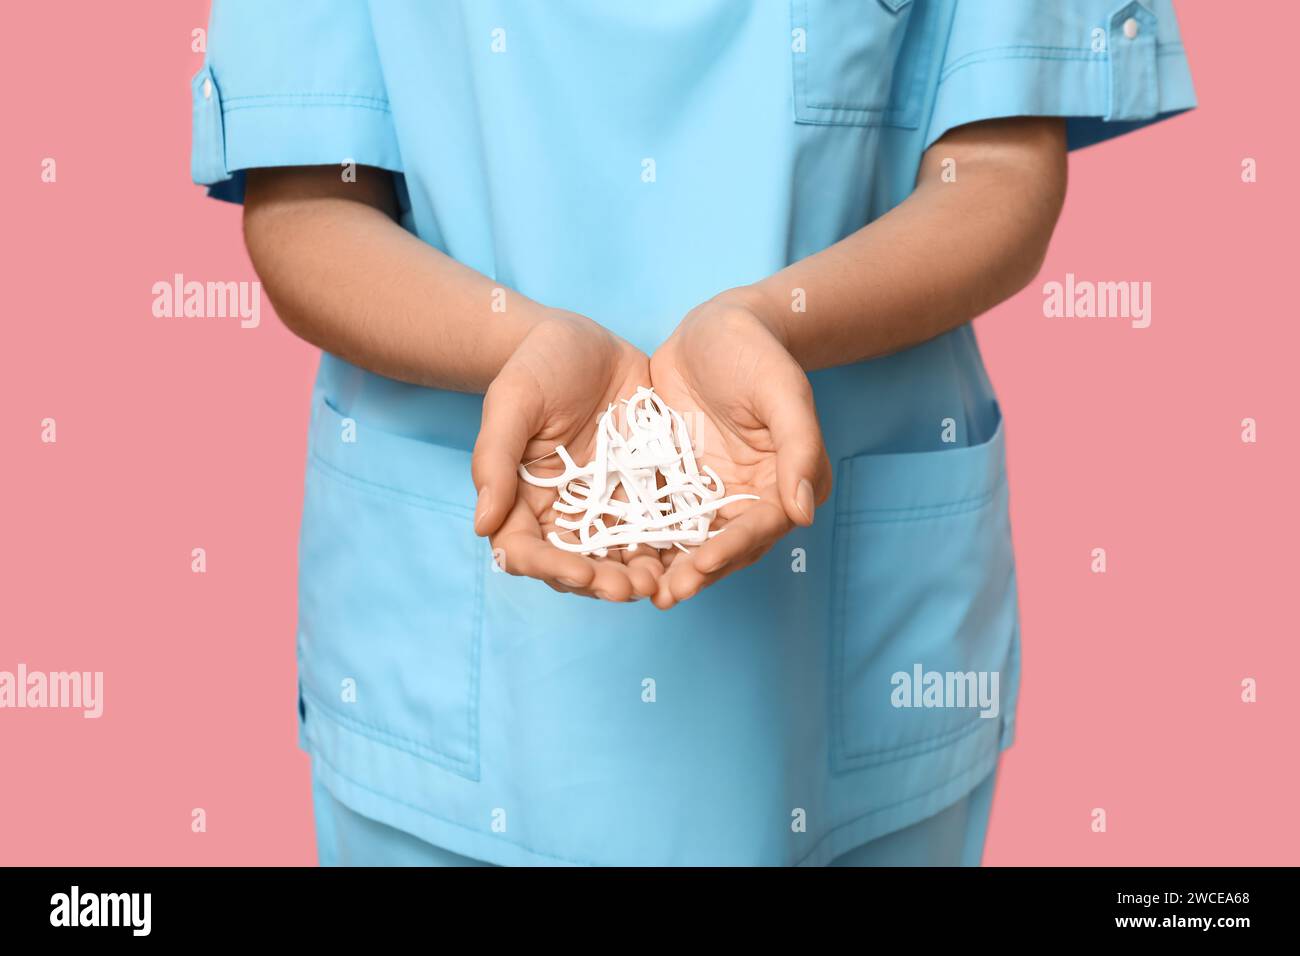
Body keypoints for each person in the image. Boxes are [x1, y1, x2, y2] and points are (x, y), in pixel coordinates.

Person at [192, 0, 1194, 866]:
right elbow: (309, 201)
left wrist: (772, 318)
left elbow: (996, 173)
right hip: (450, 686)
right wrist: (521, 342)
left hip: (846, 645)